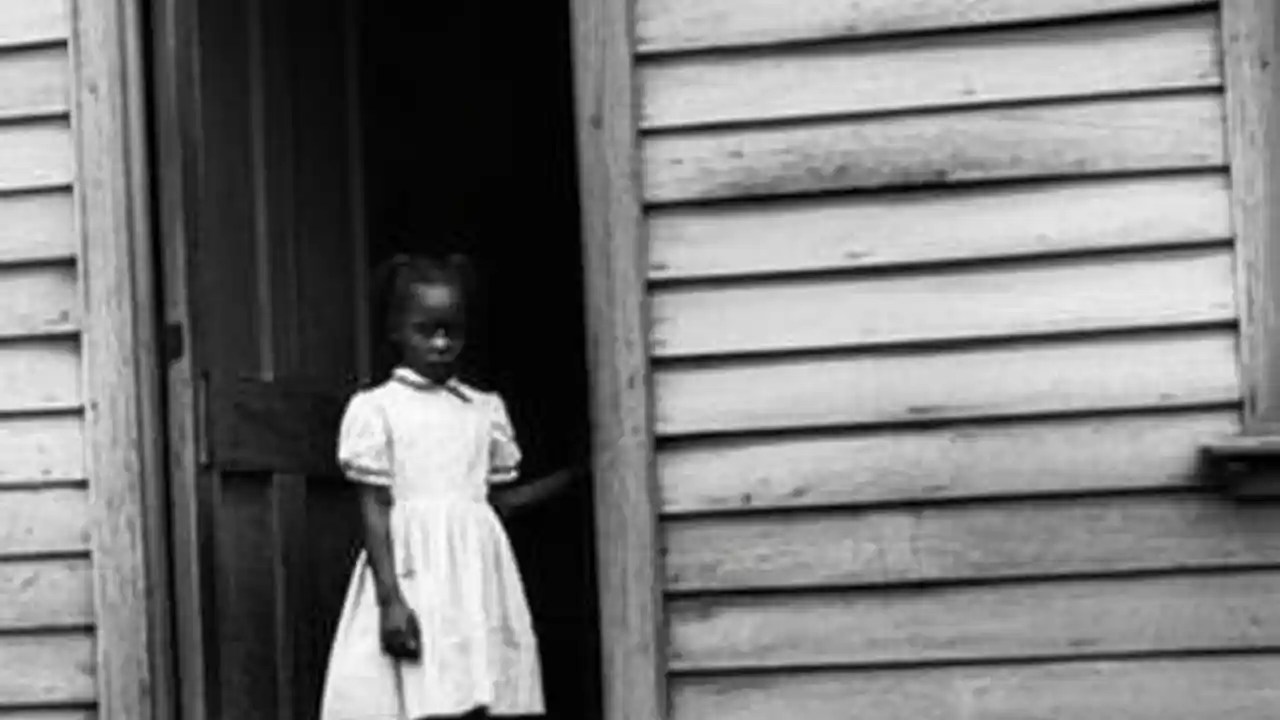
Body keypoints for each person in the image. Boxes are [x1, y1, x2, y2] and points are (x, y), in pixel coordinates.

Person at [320, 252, 583, 719]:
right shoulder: (378, 408)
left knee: (480, 686)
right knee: (419, 692)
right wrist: (390, 600)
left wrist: (575, 479)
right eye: (427, 329)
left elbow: (495, 504)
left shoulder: (483, 410)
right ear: (397, 331)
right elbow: (374, 505)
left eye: (452, 330)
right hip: (413, 575)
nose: (441, 342)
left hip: (477, 576)